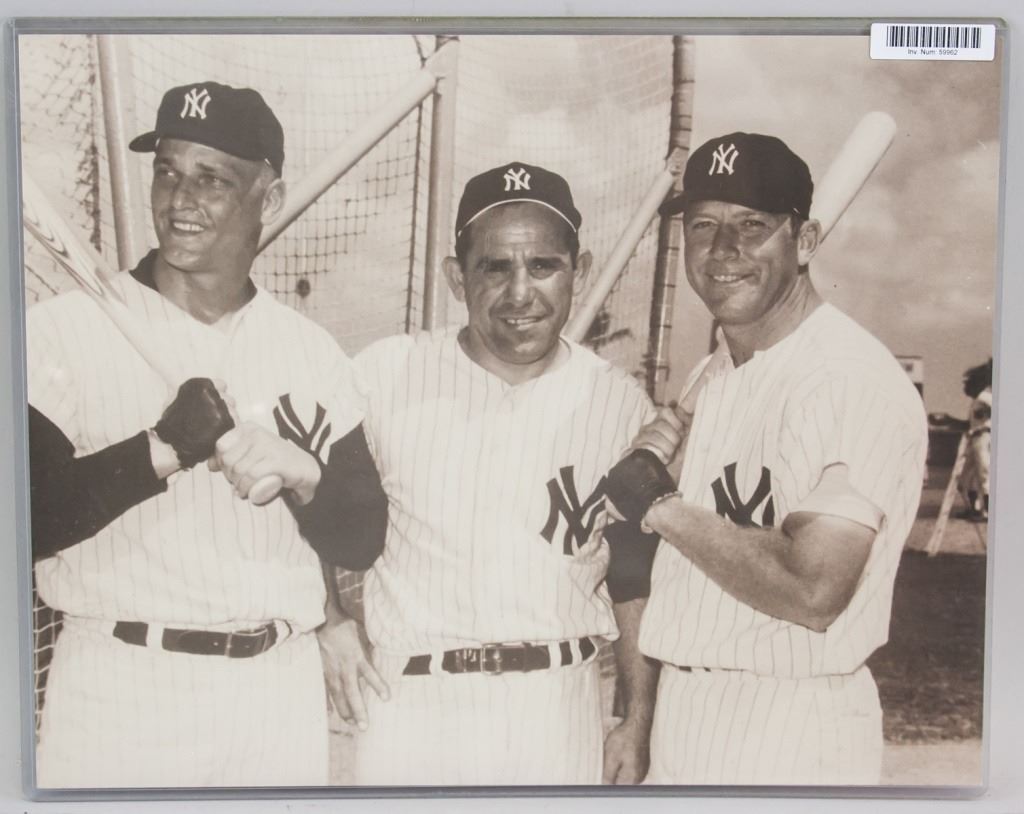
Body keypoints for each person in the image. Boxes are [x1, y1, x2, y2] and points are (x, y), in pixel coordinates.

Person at [28, 81, 387, 788]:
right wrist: (159, 452)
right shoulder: (61, 331)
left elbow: (361, 535)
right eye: (167, 170)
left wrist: (305, 474)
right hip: (124, 683)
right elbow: (25, 519)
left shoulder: (312, 352)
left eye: (211, 179)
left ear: (270, 199)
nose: (179, 199)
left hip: (276, 692)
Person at [315, 162, 660, 785]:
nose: (519, 292)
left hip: (556, 707)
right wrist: (328, 616)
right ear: (456, 277)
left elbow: (634, 575)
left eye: (543, 266)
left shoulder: (617, 402)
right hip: (414, 707)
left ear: (578, 272)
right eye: (494, 267)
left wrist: (636, 718)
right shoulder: (384, 375)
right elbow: (303, 498)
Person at [604, 132, 928, 785]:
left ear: (804, 241)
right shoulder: (718, 372)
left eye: (752, 226)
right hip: (684, 712)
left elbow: (814, 589)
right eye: (704, 227)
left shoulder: (846, 380)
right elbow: (657, 569)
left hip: (792, 725)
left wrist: (663, 509)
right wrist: (638, 717)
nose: (724, 251)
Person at [960, 358, 993, 520]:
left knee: (984, 474)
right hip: (975, 437)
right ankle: (972, 508)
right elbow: (969, 422)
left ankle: (987, 512)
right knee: (966, 477)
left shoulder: (985, 396)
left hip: (984, 436)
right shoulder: (978, 399)